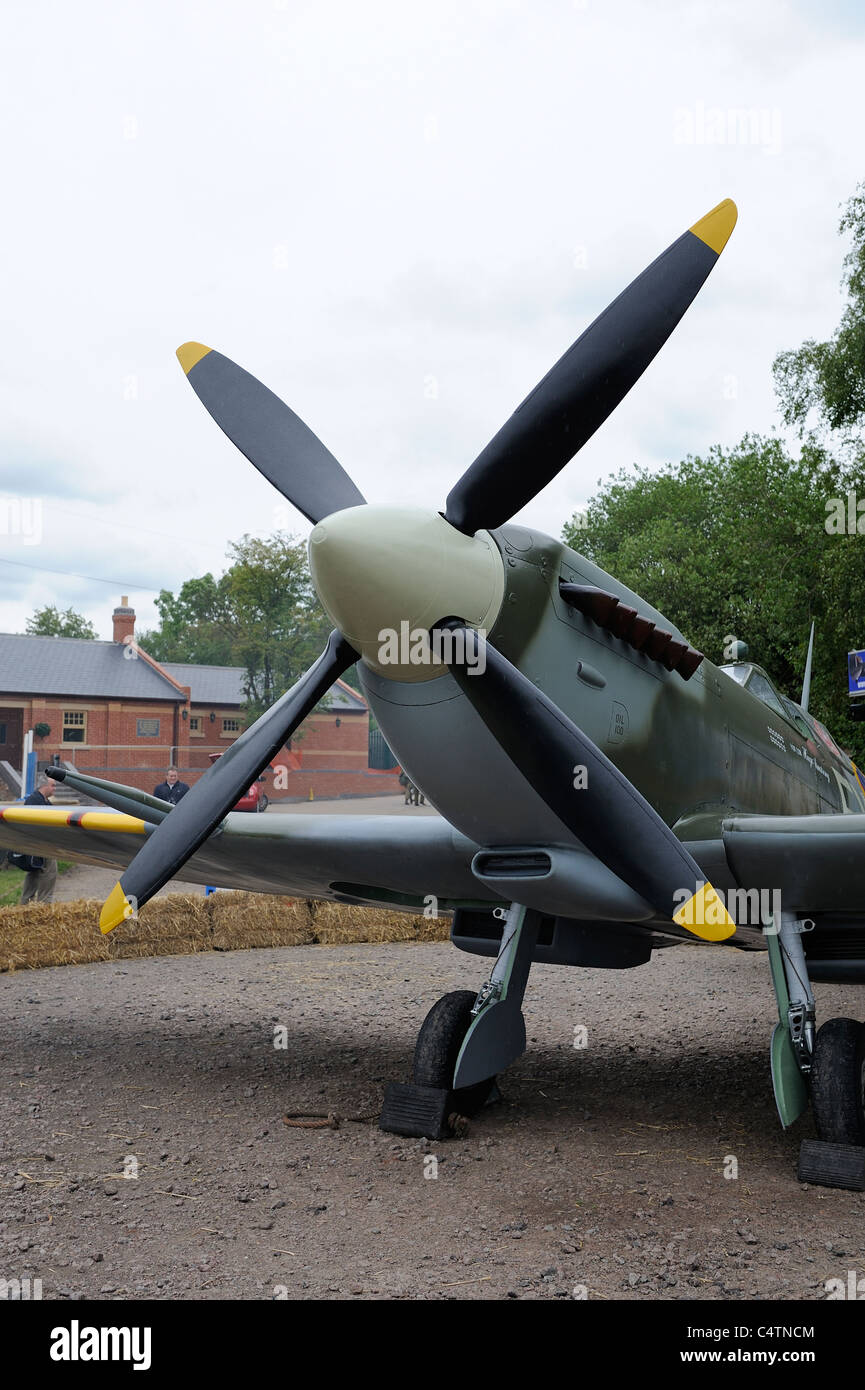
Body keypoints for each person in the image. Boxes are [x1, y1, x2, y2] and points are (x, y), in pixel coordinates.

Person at [20, 777, 59, 904]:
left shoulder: (45, 801)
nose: (55, 789)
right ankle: (43, 906)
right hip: (41, 845)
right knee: (49, 874)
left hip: (38, 844)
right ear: (44, 786)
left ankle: (25, 906)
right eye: (53, 785)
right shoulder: (34, 801)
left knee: (34, 874)